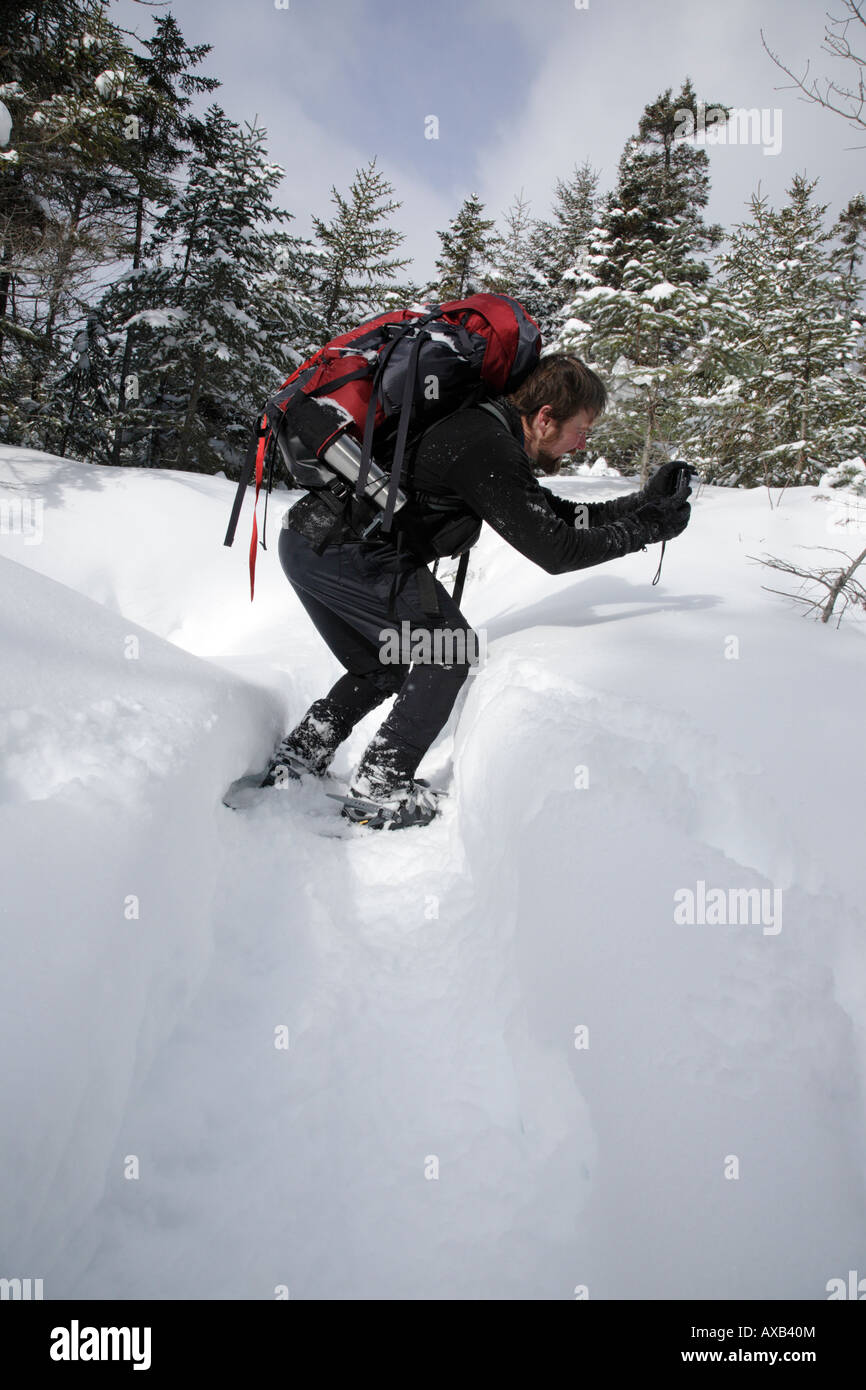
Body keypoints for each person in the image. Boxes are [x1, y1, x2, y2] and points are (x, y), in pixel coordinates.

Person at [265, 353, 693, 828]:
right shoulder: (486, 446)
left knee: (381, 662)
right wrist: (646, 530)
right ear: (545, 417)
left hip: (310, 541)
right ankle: (380, 786)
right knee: (447, 649)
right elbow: (556, 550)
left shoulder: (488, 434)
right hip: (345, 551)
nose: (582, 442)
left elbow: (559, 516)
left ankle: (299, 758)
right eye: (581, 429)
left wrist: (644, 504)